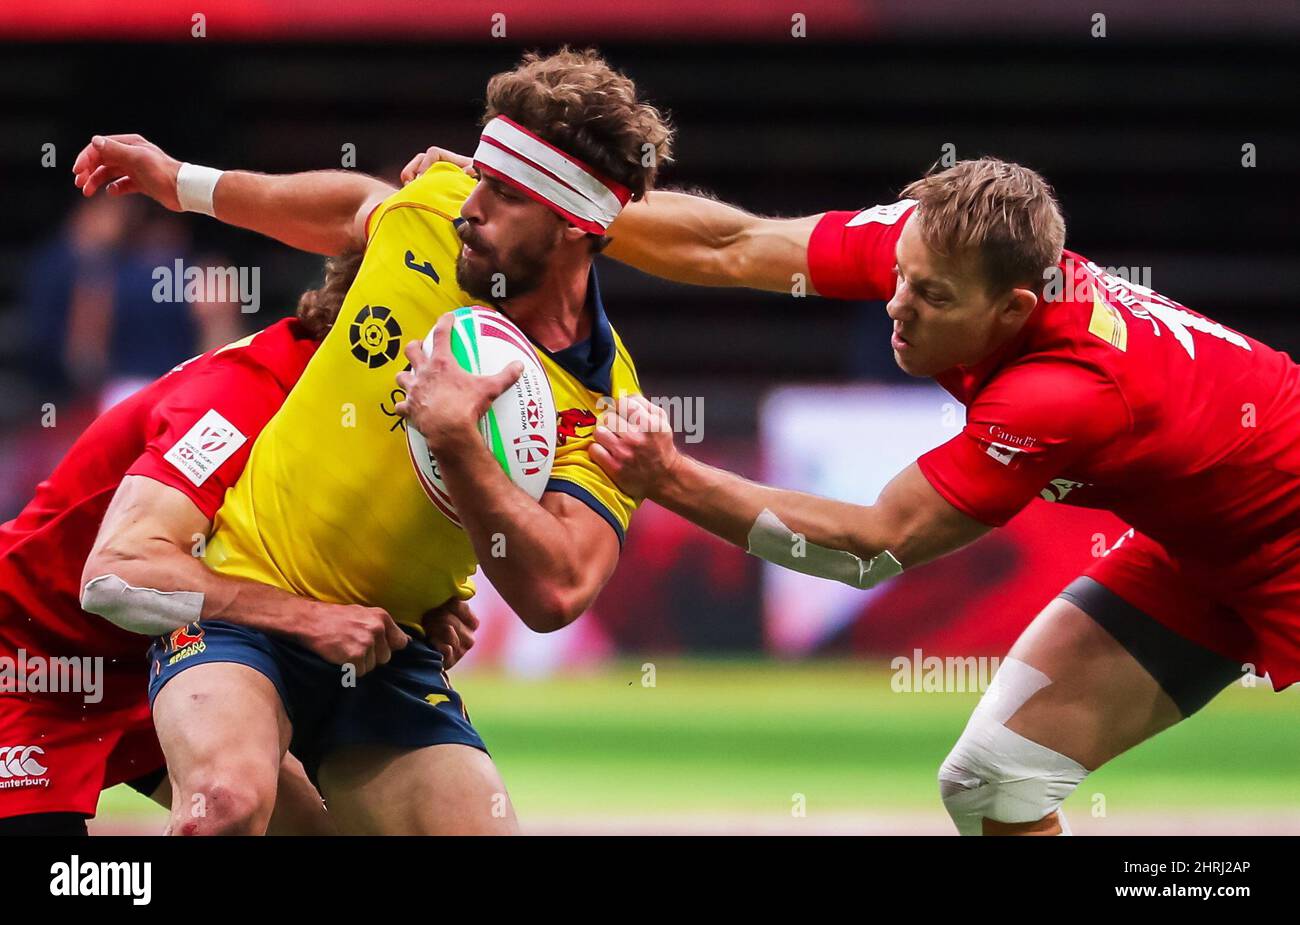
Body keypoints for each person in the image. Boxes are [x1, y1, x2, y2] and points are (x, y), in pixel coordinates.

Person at [587, 157, 1300, 835]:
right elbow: (734, 243)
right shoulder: (935, 247)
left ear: (1014, 308)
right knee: (997, 780)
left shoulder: (1060, 391)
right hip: (1200, 550)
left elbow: (869, 547)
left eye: (932, 296)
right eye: (901, 276)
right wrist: (559, 203)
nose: (896, 304)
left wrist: (669, 478)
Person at [71, 48, 673, 834]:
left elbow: (556, 591)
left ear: (572, 227)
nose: (470, 205)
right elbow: (352, 207)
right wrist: (181, 181)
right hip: (235, 608)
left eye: (502, 193)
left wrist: (457, 438)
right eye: (478, 176)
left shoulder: (604, 405)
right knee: (223, 805)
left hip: (385, 652)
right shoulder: (433, 215)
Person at [0, 250, 477, 835]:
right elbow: (119, 571)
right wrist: (312, 619)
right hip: (29, 655)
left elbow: (282, 546)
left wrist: (416, 602)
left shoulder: (352, 421)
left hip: (143, 657)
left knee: (300, 829)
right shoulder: (244, 394)